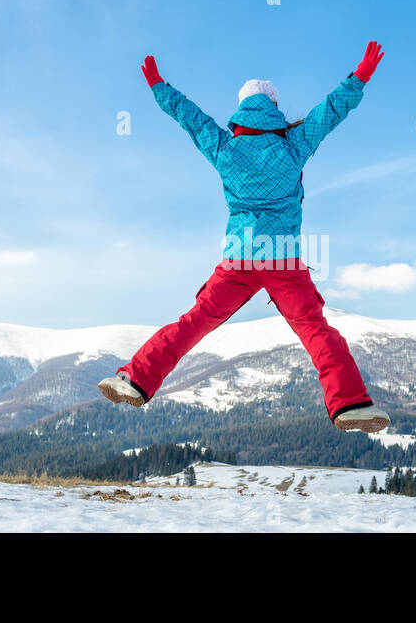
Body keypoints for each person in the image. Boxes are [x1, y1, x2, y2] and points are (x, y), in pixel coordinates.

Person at [97, 42, 390, 434]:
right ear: (274, 110)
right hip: (283, 259)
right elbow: (329, 112)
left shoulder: (225, 148)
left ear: (241, 110)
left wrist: (158, 86)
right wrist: (360, 76)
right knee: (315, 330)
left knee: (194, 322)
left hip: (239, 259)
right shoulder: (293, 145)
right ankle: (350, 402)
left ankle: (134, 378)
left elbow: (192, 119)